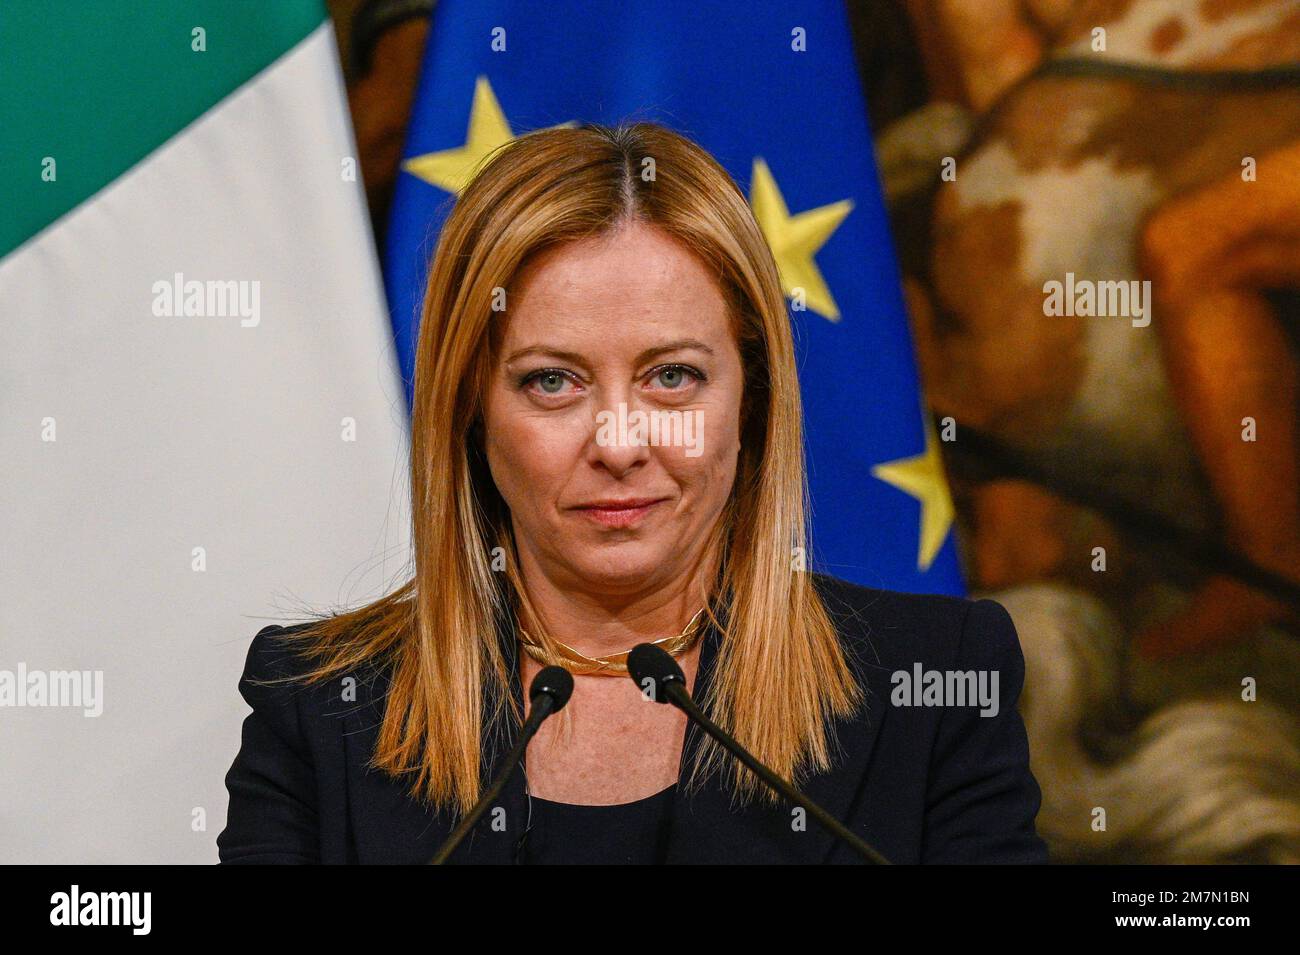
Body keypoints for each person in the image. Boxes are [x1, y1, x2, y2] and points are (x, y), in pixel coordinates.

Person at [217, 122, 1047, 864]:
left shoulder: (934, 685)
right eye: (552, 382)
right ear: (470, 408)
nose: (619, 443)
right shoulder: (319, 709)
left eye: (673, 377)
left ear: (750, 398)